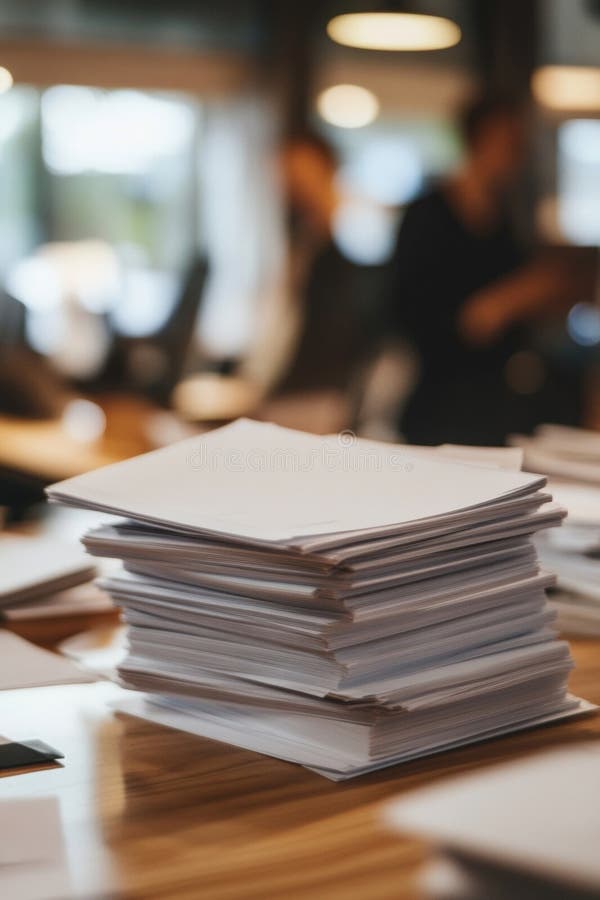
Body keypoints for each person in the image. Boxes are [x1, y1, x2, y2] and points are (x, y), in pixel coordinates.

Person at [387, 93, 579, 445]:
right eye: (511, 141)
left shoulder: (506, 219)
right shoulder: (428, 216)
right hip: (439, 407)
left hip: (497, 408)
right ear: (481, 137)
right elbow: (416, 317)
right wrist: (507, 300)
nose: (518, 155)